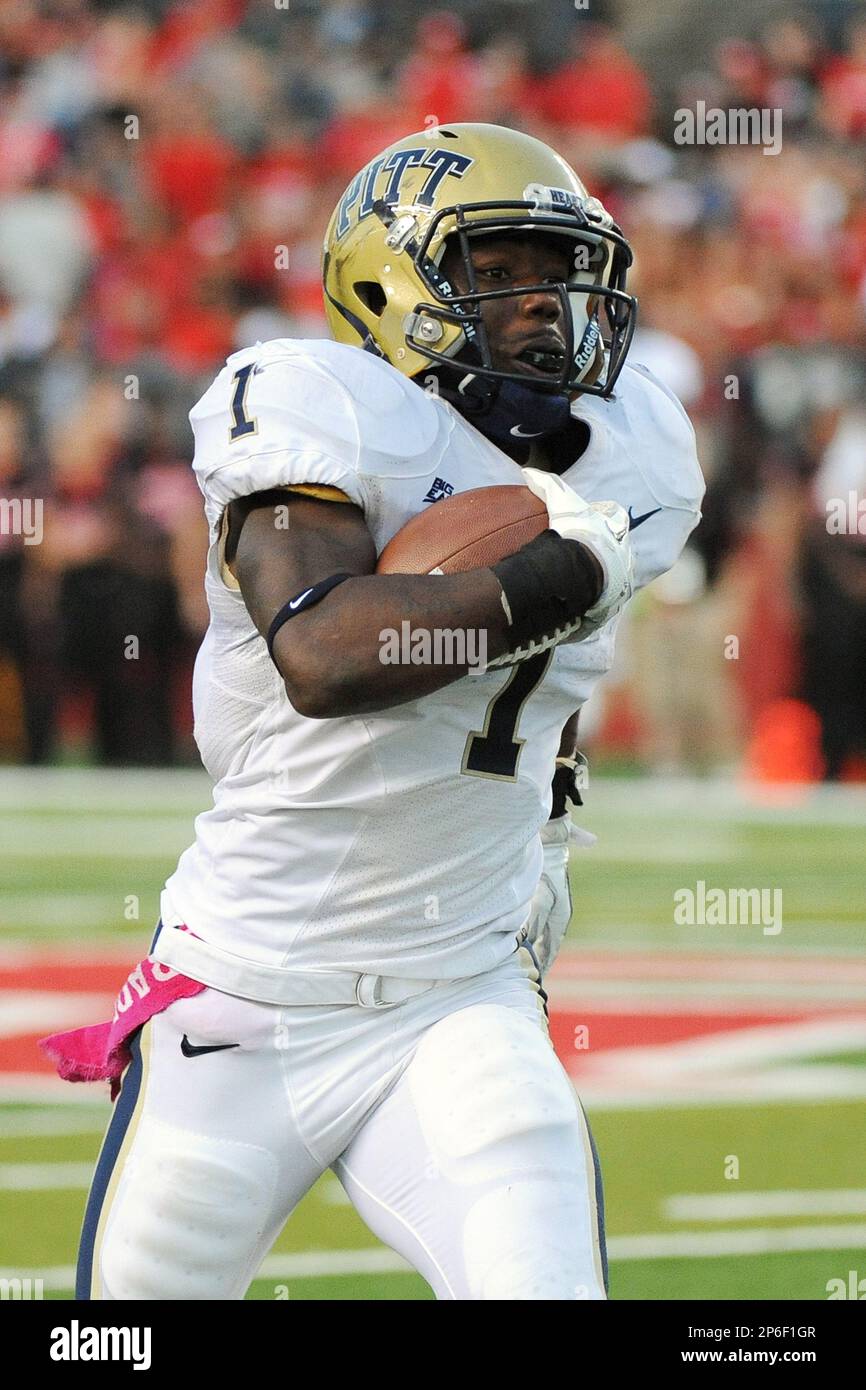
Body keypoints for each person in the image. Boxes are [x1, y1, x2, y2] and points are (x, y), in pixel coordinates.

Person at [68, 123, 704, 1300]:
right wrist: (552, 581)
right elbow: (323, 651)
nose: (543, 305)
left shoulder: (637, 449)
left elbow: (527, 711)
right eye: (498, 270)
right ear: (384, 282)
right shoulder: (314, 399)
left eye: (559, 271)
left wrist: (540, 828)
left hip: (455, 995)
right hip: (242, 1000)